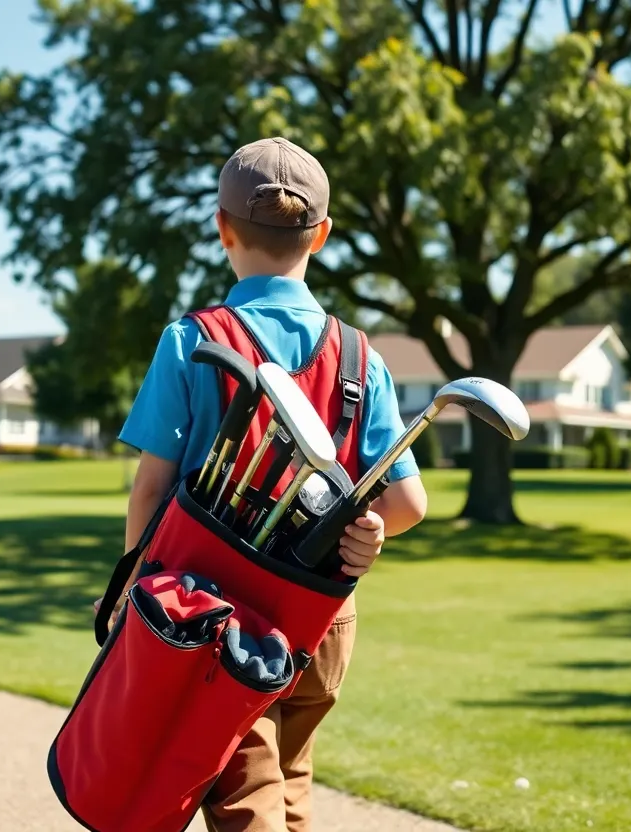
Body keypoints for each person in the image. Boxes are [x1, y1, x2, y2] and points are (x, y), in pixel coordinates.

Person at [112, 136, 429, 832]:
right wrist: (368, 530)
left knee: (246, 805)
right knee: (287, 789)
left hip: (217, 617)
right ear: (322, 234)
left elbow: (149, 491)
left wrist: (133, 594)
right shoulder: (359, 355)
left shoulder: (191, 339)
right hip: (321, 620)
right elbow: (407, 504)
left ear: (222, 229)